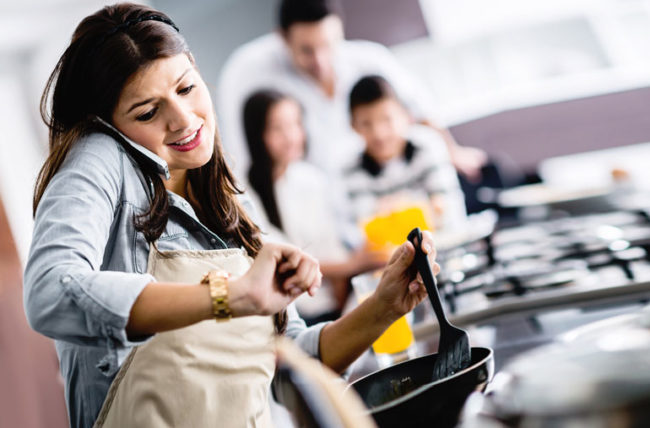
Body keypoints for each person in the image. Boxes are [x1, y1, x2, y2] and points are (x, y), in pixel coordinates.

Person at [23, 4, 437, 427]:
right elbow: (51, 292)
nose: (183, 120)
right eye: (147, 112)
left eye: (186, 89)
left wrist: (385, 306)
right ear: (108, 126)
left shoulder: (232, 202)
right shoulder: (101, 157)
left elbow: (291, 360)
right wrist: (230, 296)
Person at [216, 0, 487, 181]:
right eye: (307, 50)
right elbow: (242, 159)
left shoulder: (369, 59)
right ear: (282, 38)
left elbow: (419, 109)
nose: (321, 61)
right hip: (314, 200)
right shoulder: (248, 71)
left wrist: (453, 153)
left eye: (328, 45)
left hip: (381, 186)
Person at [242, 89, 385, 324]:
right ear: (257, 134)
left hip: (336, 300)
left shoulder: (311, 178)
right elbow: (283, 261)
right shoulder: (247, 195)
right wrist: (353, 264)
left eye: (295, 124)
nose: (291, 136)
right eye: (277, 128)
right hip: (296, 312)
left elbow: (332, 243)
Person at [344, 75, 468, 234]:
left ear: (405, 115)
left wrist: (391, 212)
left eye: (386, 119)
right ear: (353, 126)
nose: (379, 133)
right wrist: (420, 207)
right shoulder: (350, 169)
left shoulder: (428, 145)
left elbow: (449, 212)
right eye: (366, 124)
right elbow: (365, 231)